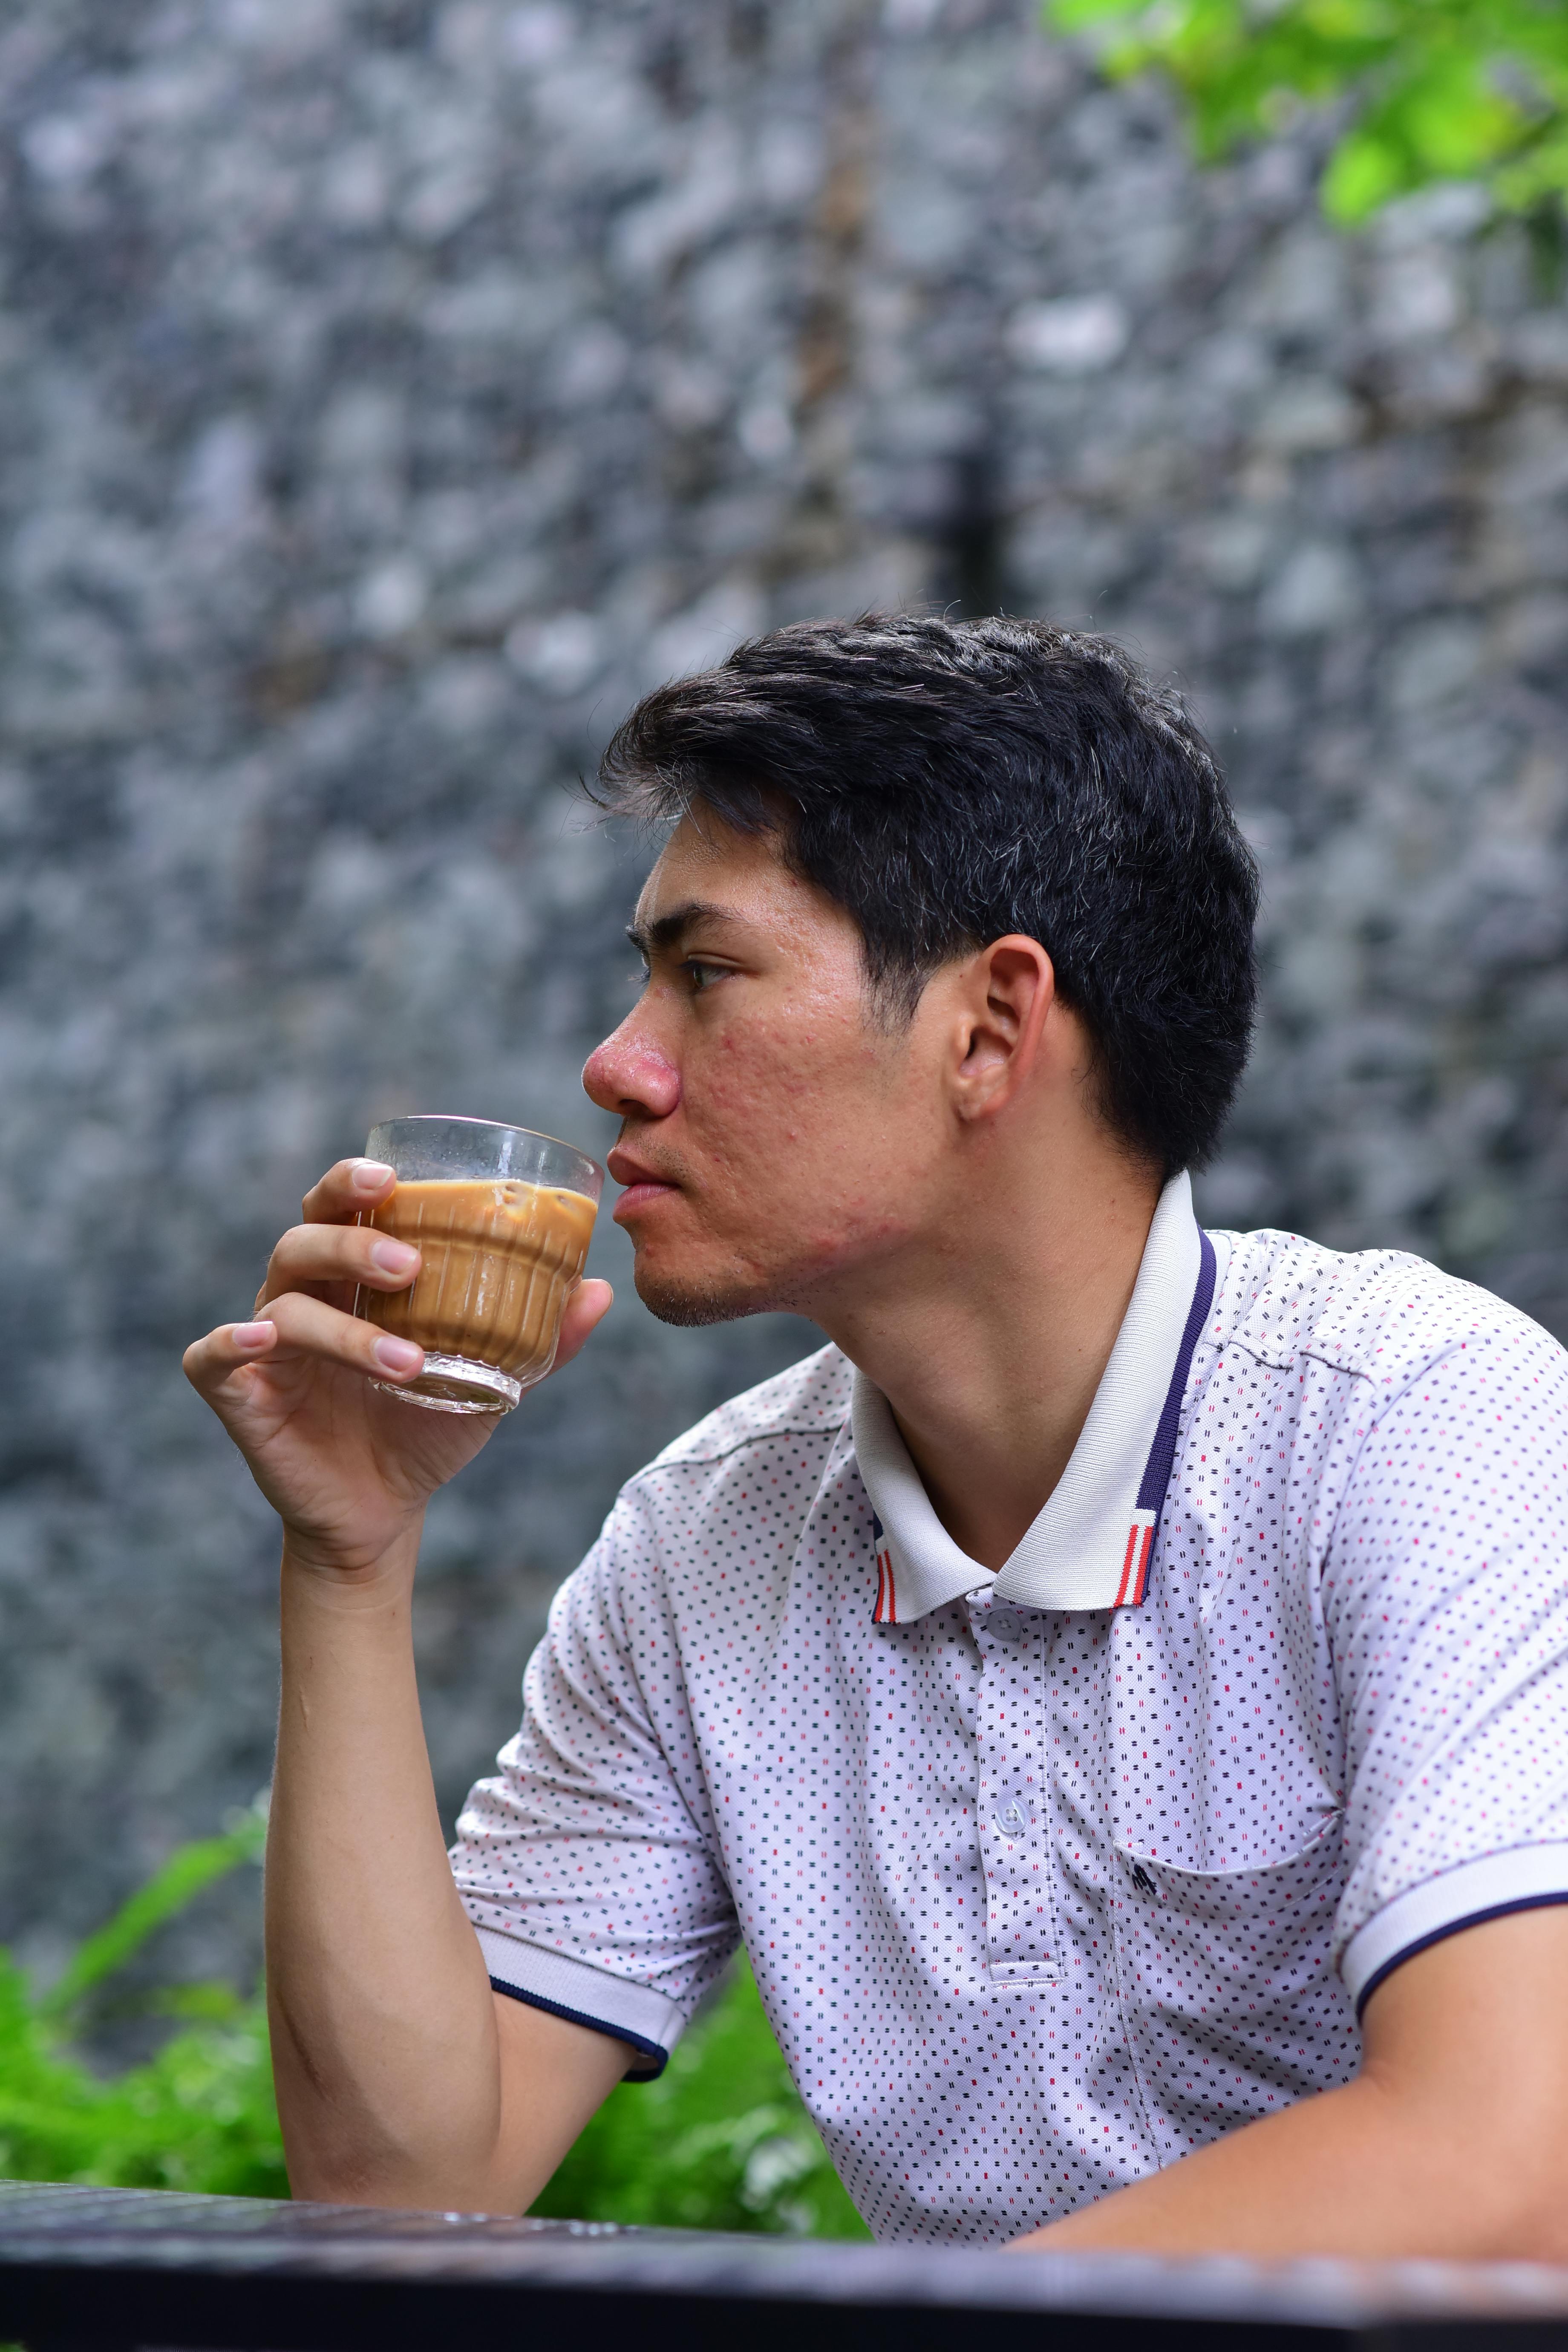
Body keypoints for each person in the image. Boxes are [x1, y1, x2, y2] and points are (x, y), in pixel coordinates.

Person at [185, 614, 1568, 2253]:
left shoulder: (1417, 1423)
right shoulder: (710, 1543)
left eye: (706, 976)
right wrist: (353, 1557)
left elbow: (1508, 2160)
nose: (617, 1067)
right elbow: (406, 2186)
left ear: (990, 1029)